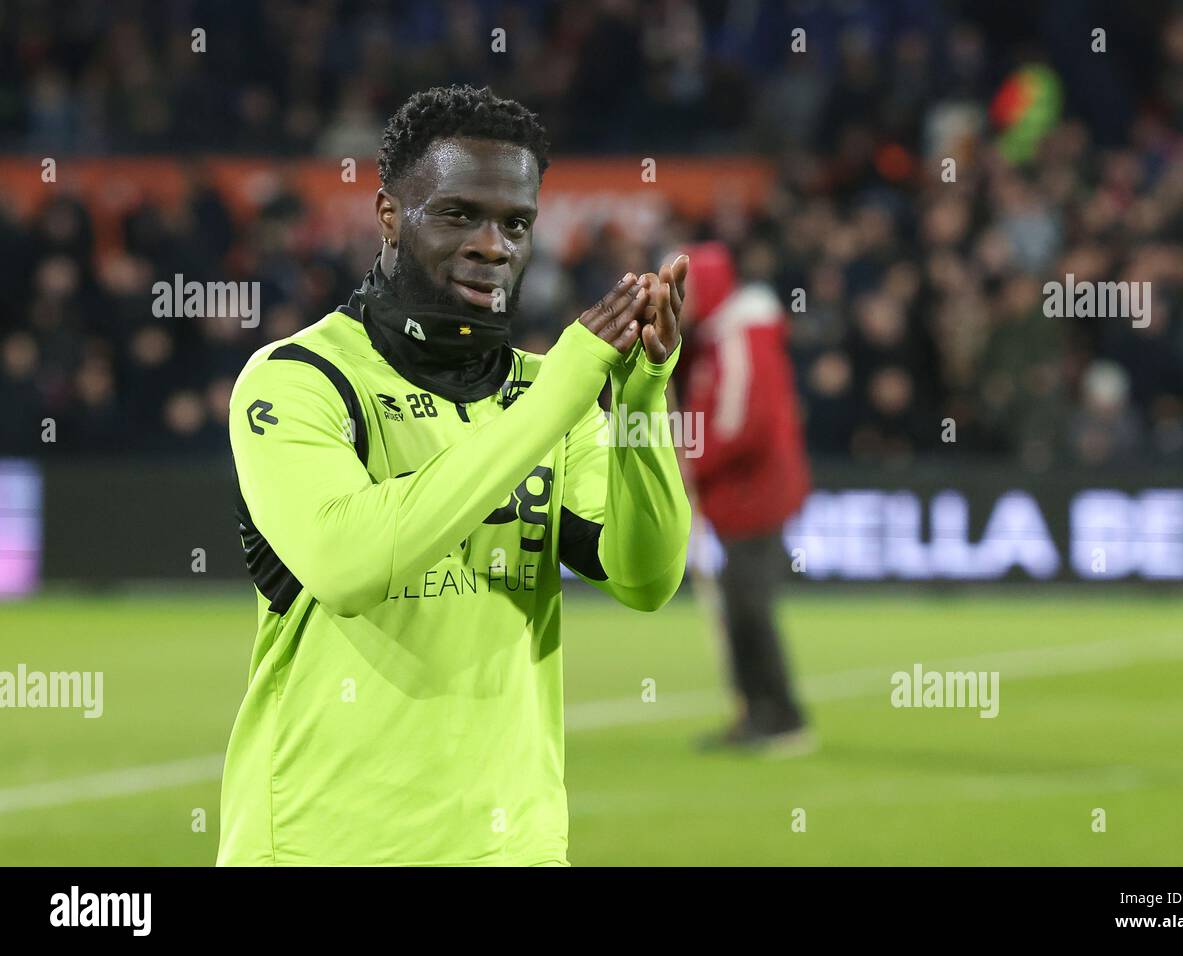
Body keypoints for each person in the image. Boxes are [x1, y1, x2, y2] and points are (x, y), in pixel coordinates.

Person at [217, 85, 692, 865]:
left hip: (515, 848)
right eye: (459, 214)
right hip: (320, 847)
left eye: (516, 223)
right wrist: (563, 391)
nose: (492, 244)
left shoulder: (554, 391)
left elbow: (646, 579)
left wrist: (641, 395)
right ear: (389, 217)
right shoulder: (297, 381)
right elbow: (348, 565)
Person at [680, 241, 813, 755]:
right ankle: (760, 711)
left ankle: (778, 716)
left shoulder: (739, 335)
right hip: (745, 492)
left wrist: (694, 461)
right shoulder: (721, 336)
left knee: (749, 605)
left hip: (756, 492)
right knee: (741, 604)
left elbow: (743, 422)